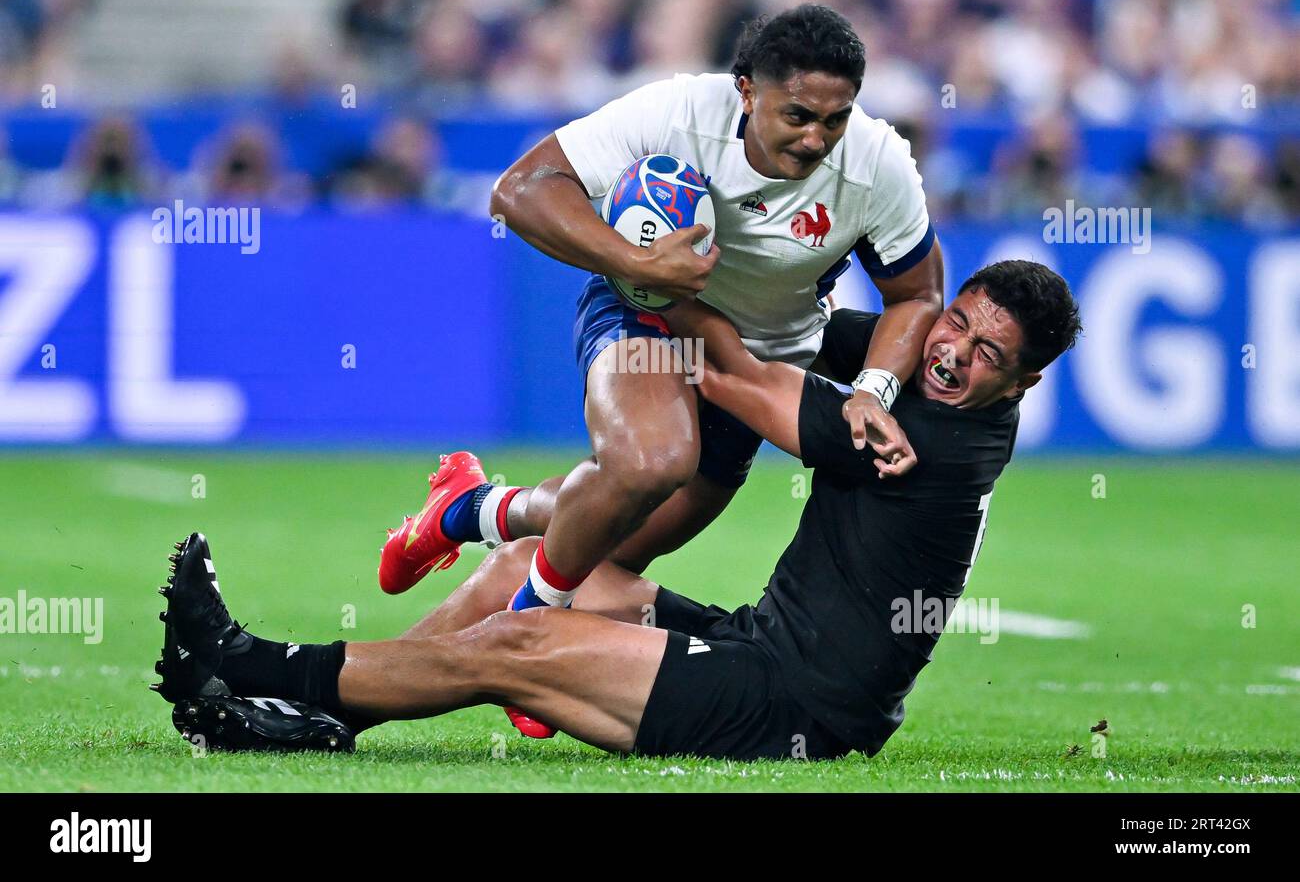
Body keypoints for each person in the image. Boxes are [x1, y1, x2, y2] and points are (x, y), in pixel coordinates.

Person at [153, 260, 1080, 761]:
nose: (953, 350)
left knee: (523, 643)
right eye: (956, 319)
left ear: (1023, 383)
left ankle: (245, 664)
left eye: (987, 352)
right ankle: (318, 717)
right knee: (531, 570)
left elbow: (730, 370)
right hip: (762, 644)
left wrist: (650, 266)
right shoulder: (918, 375)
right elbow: (794, 325)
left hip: (795, 706)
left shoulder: (929, 439)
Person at [380, 4, 944, 732]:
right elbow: (520, 189)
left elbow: (918, 293)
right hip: (650, 312)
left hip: (758, 360)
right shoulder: (678, 112)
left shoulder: (876, 163)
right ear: (746, 90)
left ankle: (468, 508)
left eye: (834, 120)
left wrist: (874, 387)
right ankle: (530, 624)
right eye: (798, 114)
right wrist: (639, 262)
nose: (816, 138)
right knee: (650, 463)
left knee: (611, 544)